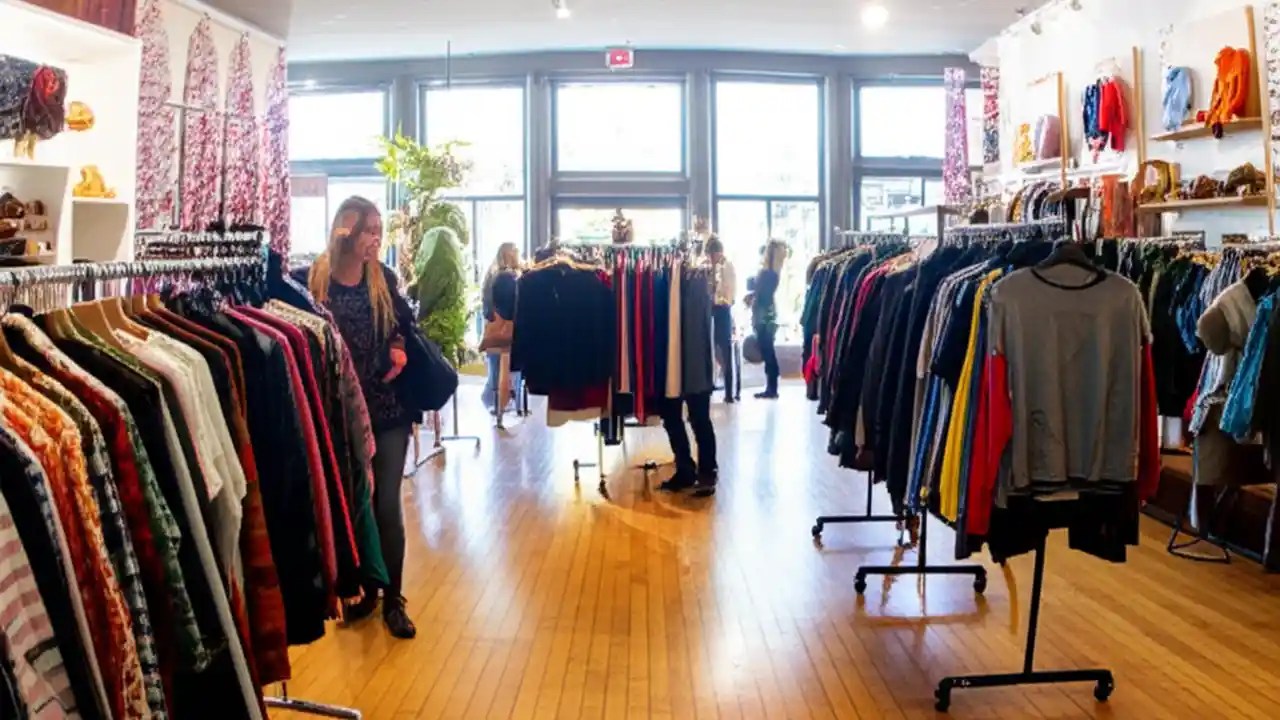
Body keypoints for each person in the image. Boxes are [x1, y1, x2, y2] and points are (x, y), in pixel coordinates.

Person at [304, 196, 419, 639]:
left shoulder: (382, 278)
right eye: (369, 229)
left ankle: (394, 598)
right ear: (346, 230)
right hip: (340, 411)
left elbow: (402, 324)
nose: (375, 238)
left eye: (378, 230)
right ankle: (368, 589)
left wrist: (398, 344)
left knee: (385, 504)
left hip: (387, 408)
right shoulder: (315, 278)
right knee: (354, 503)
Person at [481, 242, 523, 426]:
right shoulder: (509, 278)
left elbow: (487, 305)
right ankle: (501, 404)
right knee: (506, 372)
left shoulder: (492, 275)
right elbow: (512, 306)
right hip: (506, 329)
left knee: (494, 371)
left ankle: (495, 404)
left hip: (493, 327)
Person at [751, 240, 788, 399]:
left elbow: (762, 297)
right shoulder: (774, 274)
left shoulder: (768, 274)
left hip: (764, 316)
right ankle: (771, 387)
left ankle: (772, 388)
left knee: (768, 352)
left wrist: (753, 299)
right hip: (769, 315)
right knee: (768, 351)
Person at [706, 237, 736, 404]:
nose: (711, 258)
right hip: (712, 310)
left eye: (713, 255)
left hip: (722, 311)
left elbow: (729, 291)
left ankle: (729, 391)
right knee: (711, 350)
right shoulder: (709, 266)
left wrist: (720, 299)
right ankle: (711, 387)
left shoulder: (727, 266)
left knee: (725, 350)